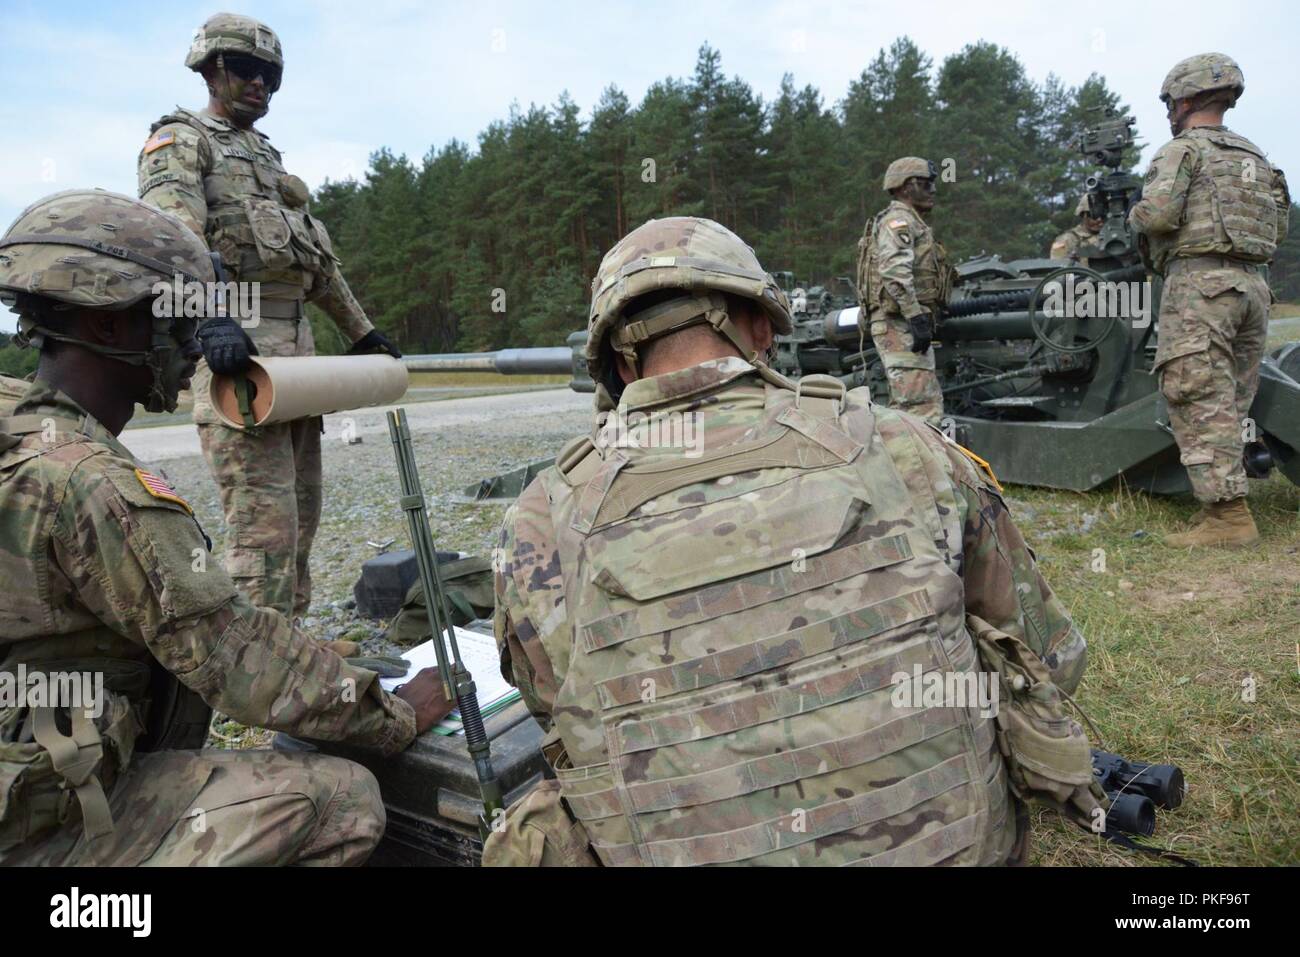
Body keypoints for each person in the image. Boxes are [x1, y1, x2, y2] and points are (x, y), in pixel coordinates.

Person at [486, 216, 1090, 866]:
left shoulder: (541, 519)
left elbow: (563, 715)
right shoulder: (901, 446)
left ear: (621, 361)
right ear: (762, 327)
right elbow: (1052, 657)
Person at [0, 190, 448, 866]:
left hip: (22, 759)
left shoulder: (19, 426)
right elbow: (237, 658)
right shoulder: (93, 483)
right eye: (177, 321)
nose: (193, 348)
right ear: (115, 328)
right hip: (44, 820)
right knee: (342, 798)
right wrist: (399, 712)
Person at [137, 13, 400, 618]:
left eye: (271, 78)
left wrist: (362, 332)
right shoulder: (182, 140)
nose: (261, 86)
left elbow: (317, 262)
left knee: (304, 517)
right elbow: (173, 237)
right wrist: (208, 322)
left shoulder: (267, 161)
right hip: (238, 358)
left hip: (297, 365)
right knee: (264, 534)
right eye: (248, 71)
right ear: (211, 69)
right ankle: (257, 673)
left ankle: (294, 651)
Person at [1129, 53, 1289, 547]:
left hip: (1200, 286)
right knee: (1233, 396)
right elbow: (1278, 226)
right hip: (1253, 288)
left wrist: (1133, 215)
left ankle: (1229, 519)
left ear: (1186, 98)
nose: (1169, 112)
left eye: (1171, 103)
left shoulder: (1183, 151)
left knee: (1196, 392)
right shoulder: (1257, 158)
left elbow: (1157, 216)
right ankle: (1222, 503)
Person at [855, 156, 955, 426]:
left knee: (912, 408)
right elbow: (895, 274)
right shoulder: (899, 221)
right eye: (924, 184)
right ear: (904, 188)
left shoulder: (910, 221)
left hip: (902, 323)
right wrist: (915, 316)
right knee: (921, 411)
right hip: (899, 323)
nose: (933, 190)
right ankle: (918, 469)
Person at [1049, 196, 1104, 262]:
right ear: (1083, 215)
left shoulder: (1112, 234)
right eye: (1095, 216)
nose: (1099, 220)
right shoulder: (1066, 240)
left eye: (1103, 215)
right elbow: (1058, 267)